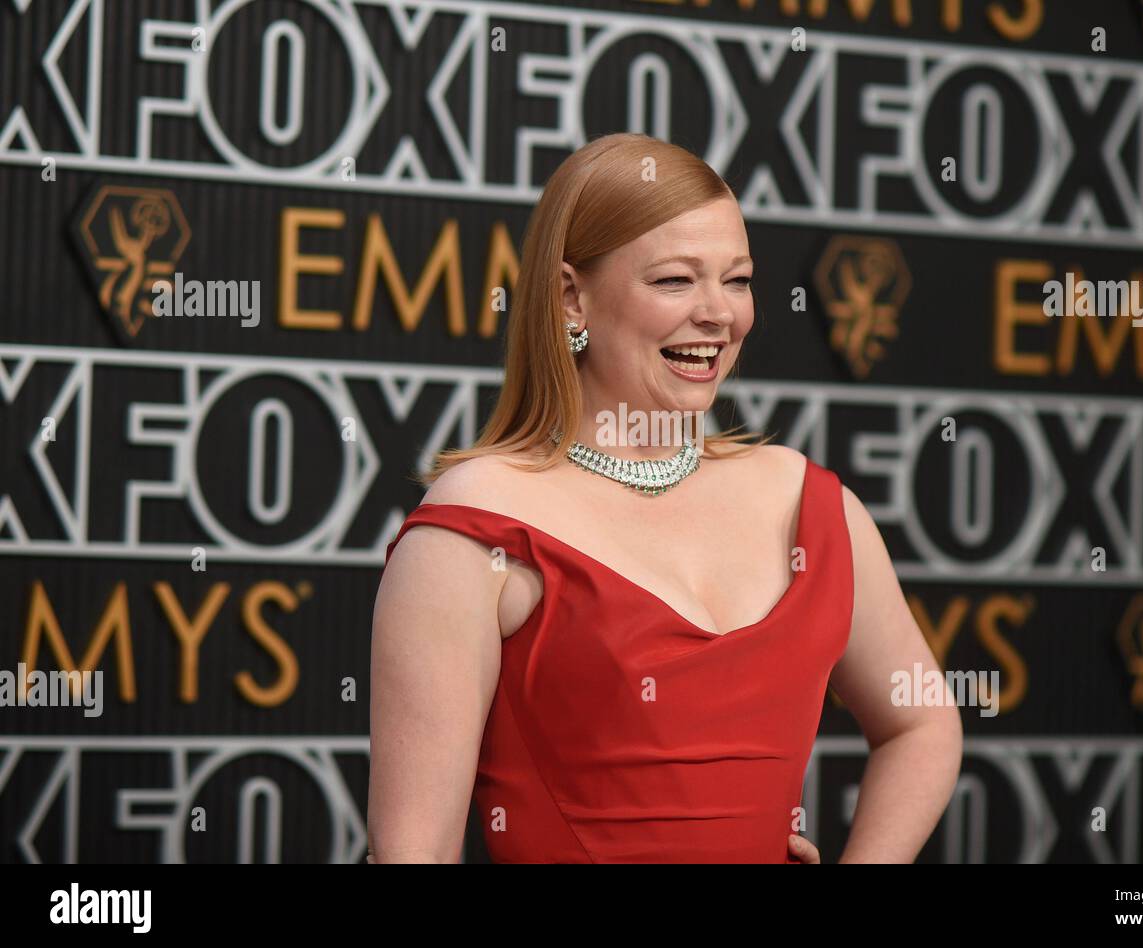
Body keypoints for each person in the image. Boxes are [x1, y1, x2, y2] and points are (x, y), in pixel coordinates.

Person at [367, 132, 962, 863]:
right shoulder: (478, 521)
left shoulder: (809, 503)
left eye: (738, 280)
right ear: (570, 296)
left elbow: (922, 724)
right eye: (677, 280)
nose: (720, 314)